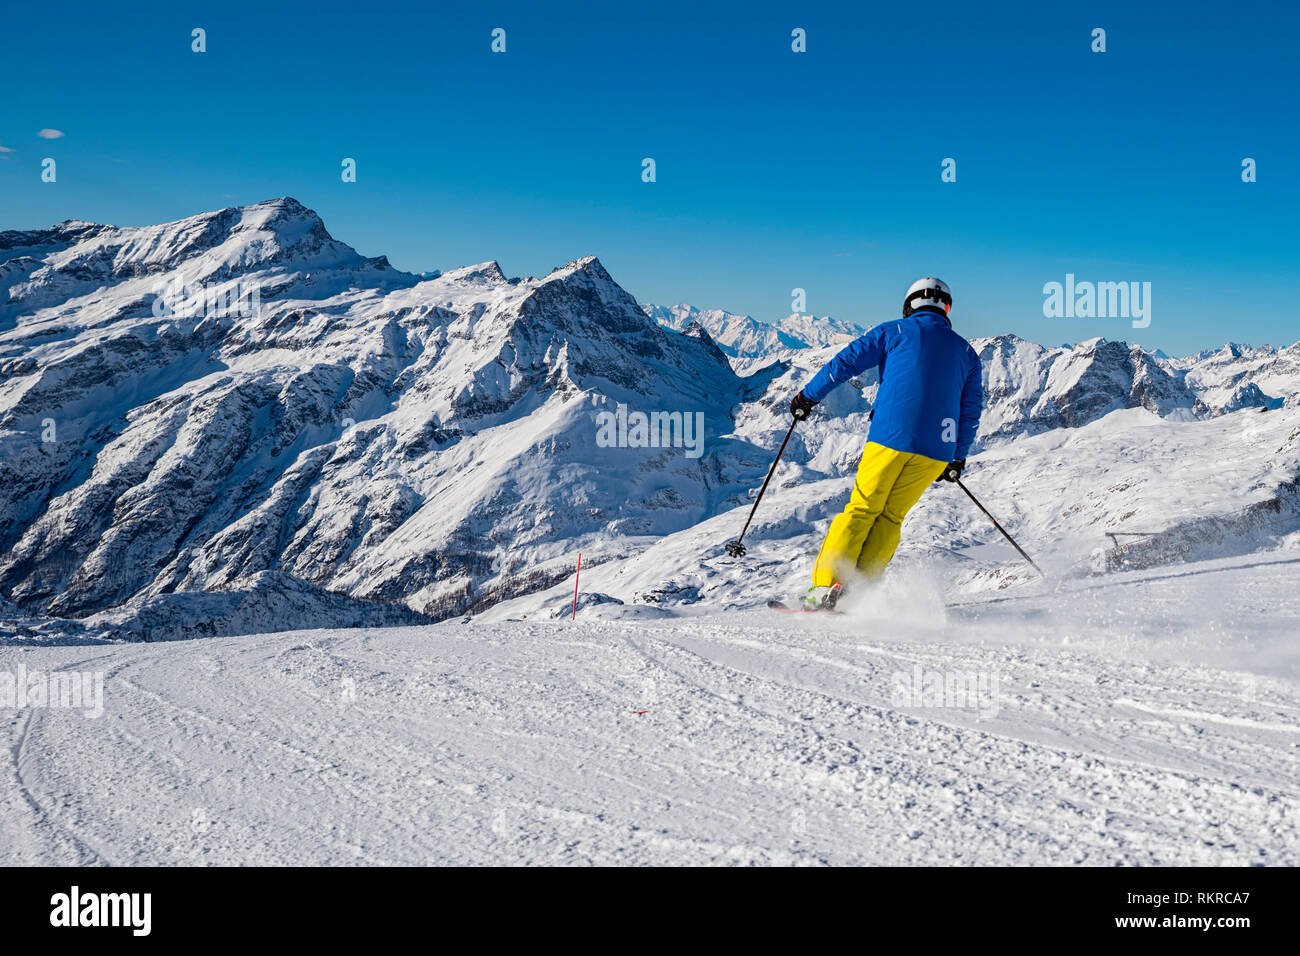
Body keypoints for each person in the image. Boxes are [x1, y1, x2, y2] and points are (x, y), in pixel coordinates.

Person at [789, 277, 983, 611]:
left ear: (909, 305)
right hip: (938, 451)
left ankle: (825, 589)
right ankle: (858, 595)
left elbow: (844, 363)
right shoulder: (967, 352)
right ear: (947, 308)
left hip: (892, 437)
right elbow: (971, 409)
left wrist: (807, 396)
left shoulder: (894, 331)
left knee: (862, 509)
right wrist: (957, 458)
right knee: (891, 517)